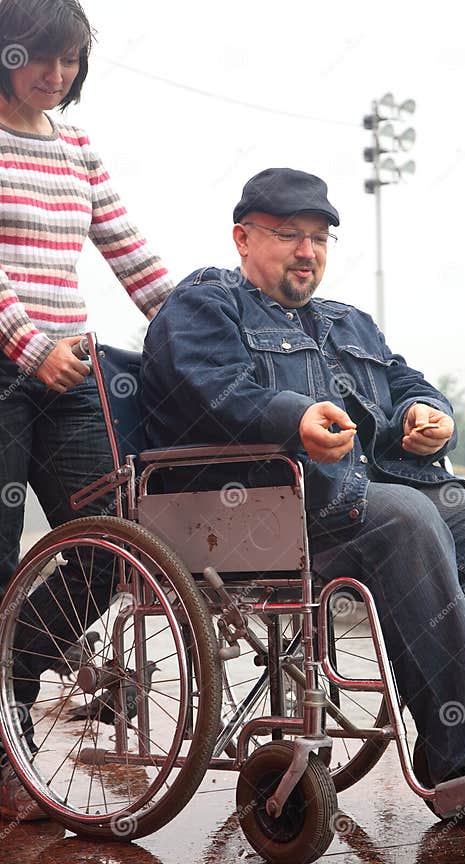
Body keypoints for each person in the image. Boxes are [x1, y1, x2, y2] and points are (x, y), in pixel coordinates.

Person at [141, 166, 465, 815]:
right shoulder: (205, 302)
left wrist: (429, 417)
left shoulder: (348, 322)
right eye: (289, 234)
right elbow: (210, 393)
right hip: (262, 511)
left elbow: (407, 385)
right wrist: (294, 417)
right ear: (243, 238)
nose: (307, 252)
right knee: (404, 517)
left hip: (356, 499)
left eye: (319, 238)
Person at [0, 0, 173, 818]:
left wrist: (202, 333)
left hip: (72, 379)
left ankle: (14, 682)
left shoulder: (76, 149)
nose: (56, 75)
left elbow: (131, 256)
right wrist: (29, 343)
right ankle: (6, 747)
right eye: (40, 55)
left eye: (70, 60)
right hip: (9, 371)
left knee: (116, 543)